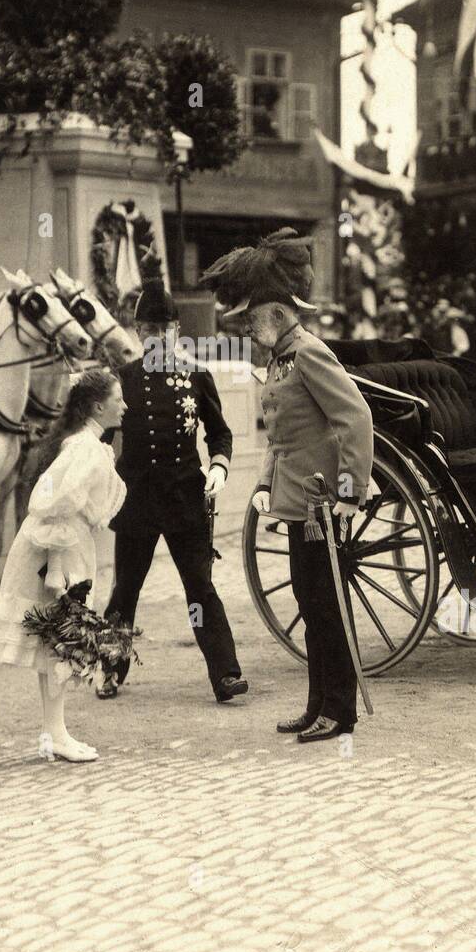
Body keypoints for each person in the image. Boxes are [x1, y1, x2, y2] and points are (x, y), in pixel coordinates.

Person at [202, 228, 374, 746]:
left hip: (323, 507)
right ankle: (317, 704)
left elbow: (355, 418)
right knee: (310, 602)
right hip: (298, 506)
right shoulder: (281, 360)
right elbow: (281, 437)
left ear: (277, 314)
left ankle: (340, 711)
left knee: (326, 607)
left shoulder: (309, 354)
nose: (249, 330)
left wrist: (347, 493)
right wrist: (262, 484)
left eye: (253, 320)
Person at [104, 251, 246, 705]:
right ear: (138, 334)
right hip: (136, 502)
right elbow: (101, 439)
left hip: (185, 498)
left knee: (200, 590)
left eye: (164, 331)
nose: (156, 338)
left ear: (176, 332)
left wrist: (219, 468)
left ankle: (225, 675)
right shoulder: (121, 379)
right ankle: (109, 669)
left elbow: (219, 432)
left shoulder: (197, 374)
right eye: (148, 332)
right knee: (125, 590)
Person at [0, 368, 127, 763]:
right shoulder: (84, 448)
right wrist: (61, 571)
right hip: (56, 549)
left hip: (61, 544)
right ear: (98, 406)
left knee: (57, 644)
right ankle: (56, 734)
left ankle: (55, 731)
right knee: (62, 640)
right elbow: (53, 504)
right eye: (118, 399)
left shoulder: (85, 444)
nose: (124, 405)